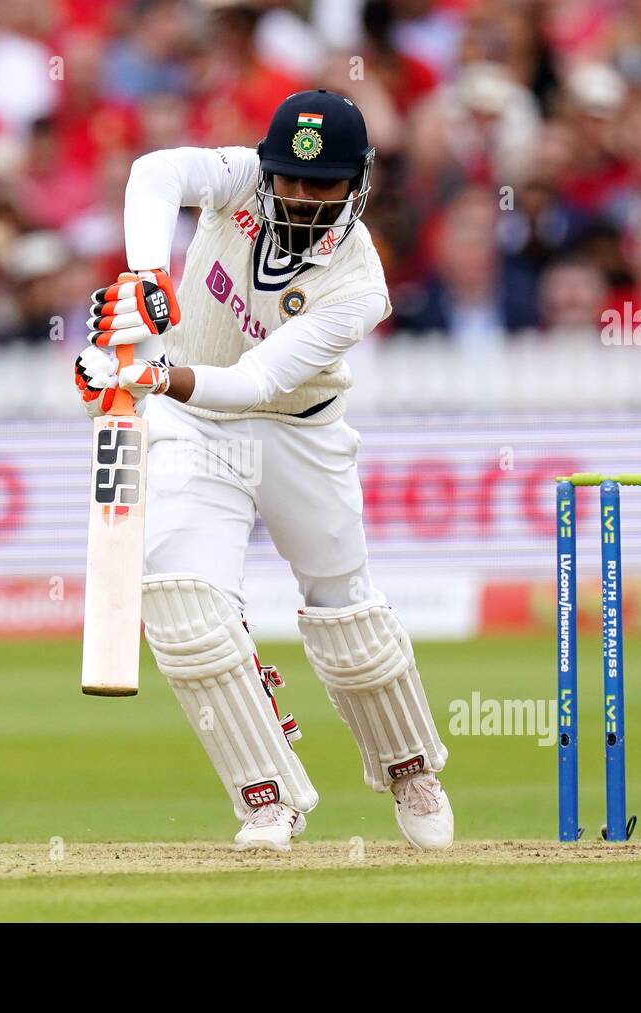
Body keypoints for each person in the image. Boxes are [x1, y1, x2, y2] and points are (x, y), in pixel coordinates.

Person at [74, 89, 452, 852]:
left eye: (324, 184)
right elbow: (155, 172)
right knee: (184, 608)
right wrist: (146, 279)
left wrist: (152, 378)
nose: (303, 196)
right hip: (195, 427)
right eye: (291, 178)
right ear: (267, 167)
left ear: (356, 186)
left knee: (345, 611)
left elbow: (255, 381)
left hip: (298, 431)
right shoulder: (241, 178)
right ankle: (267, 799)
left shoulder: (360, 285)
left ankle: (411, 770)